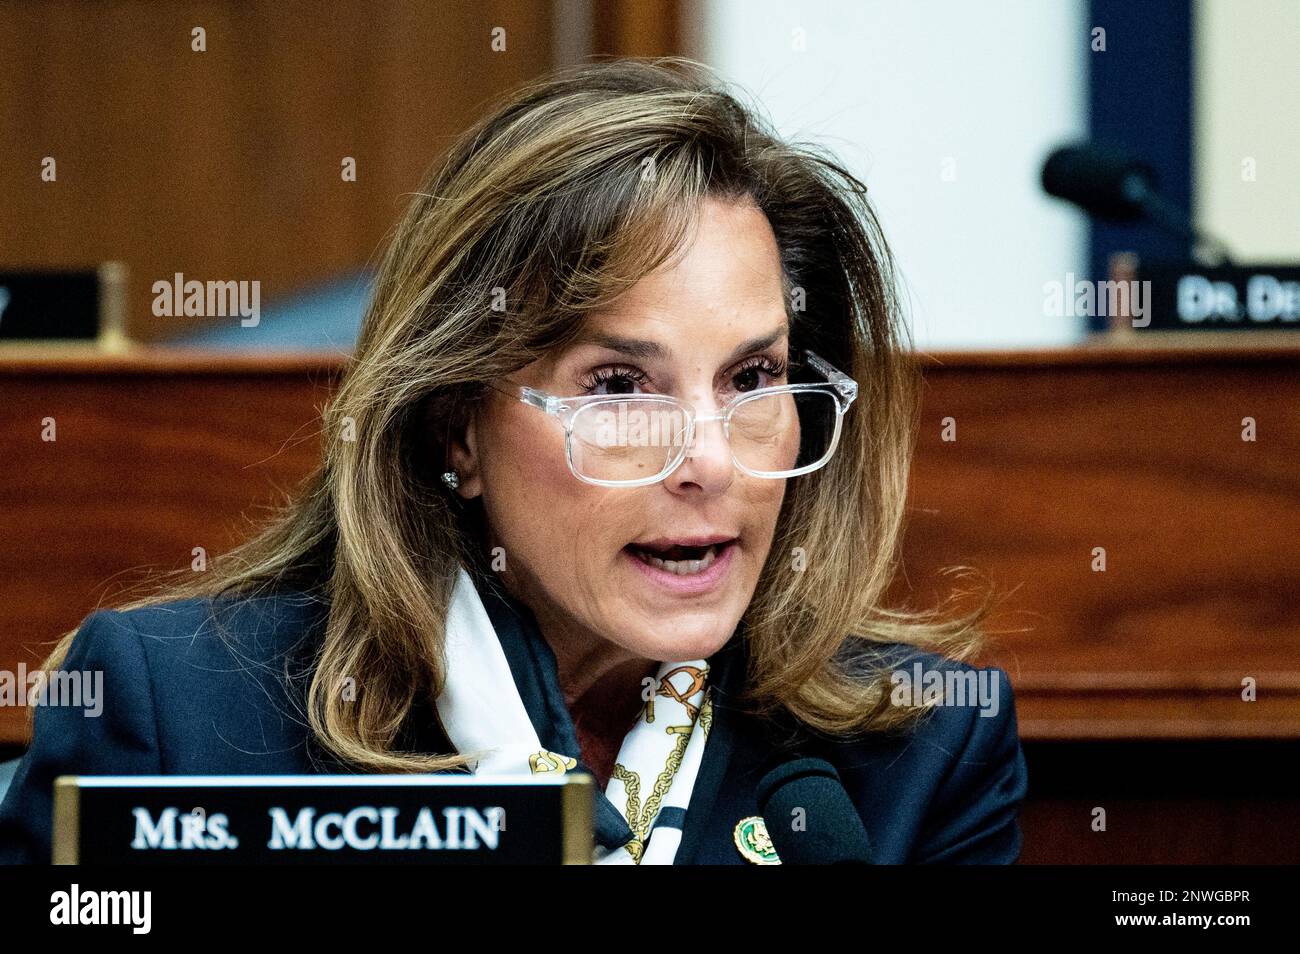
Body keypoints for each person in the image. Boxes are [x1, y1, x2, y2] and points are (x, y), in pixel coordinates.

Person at [0, 57, 1026, 865]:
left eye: (752, 379)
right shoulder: (179, 720)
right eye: (621, 388)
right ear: (456, 426)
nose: (710, 461)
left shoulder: (915, 761)